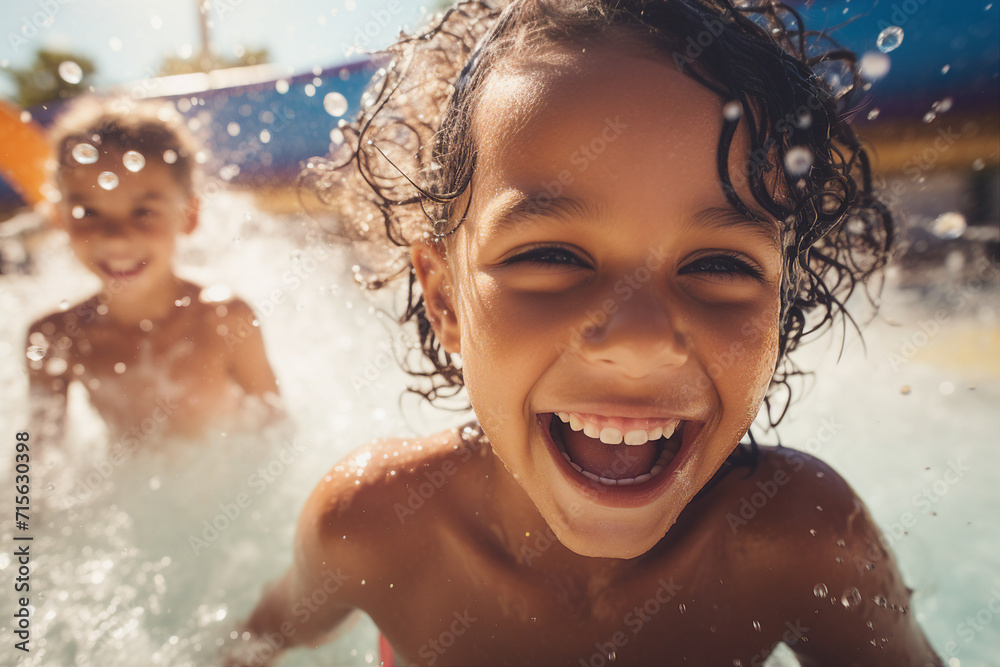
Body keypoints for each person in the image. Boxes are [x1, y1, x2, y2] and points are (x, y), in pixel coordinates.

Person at [228, 1, 942, 665]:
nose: (638, 339)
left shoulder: (802, 540)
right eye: (552, 255)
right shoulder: (373, 523)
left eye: (719, 264)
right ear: (444, 298)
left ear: (781, 306)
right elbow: (246, 646)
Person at [27, 98, 284, 446]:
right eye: (88, 212)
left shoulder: (226, 321)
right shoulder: (55, 339)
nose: (116, 236)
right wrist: (20, 501)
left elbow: (278, 433)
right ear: (58, 218)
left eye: (143, 212)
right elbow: (34, 458)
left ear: (189, 216)